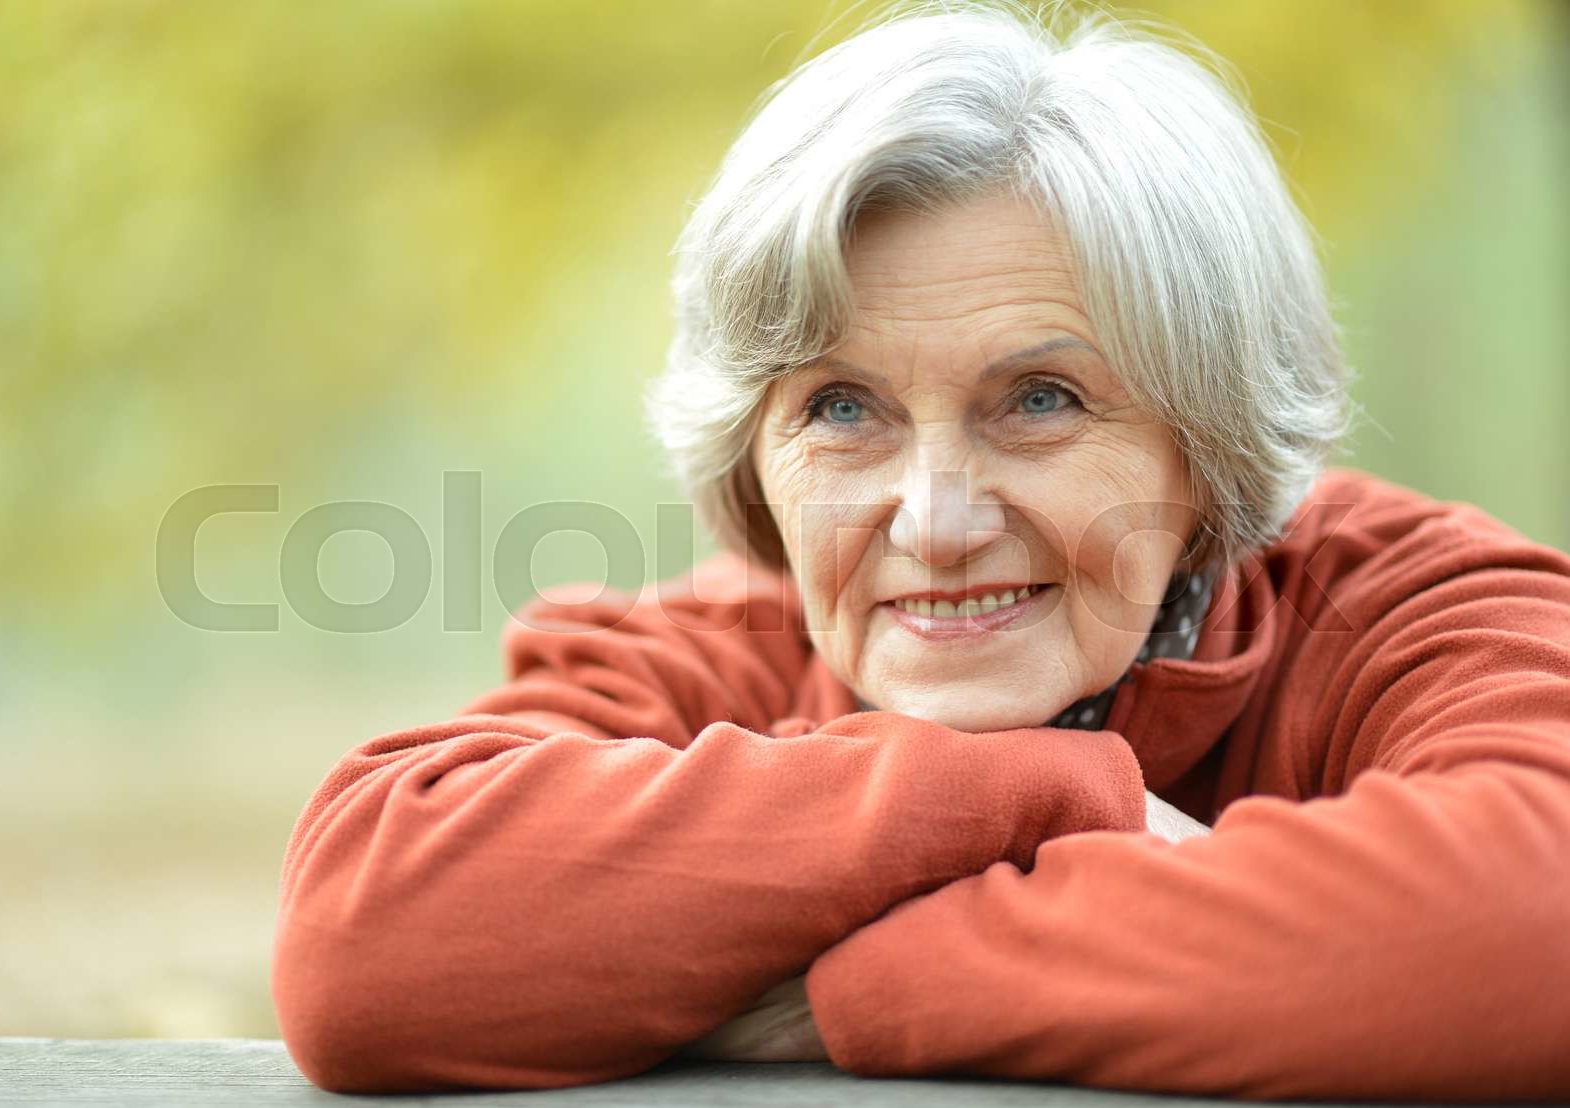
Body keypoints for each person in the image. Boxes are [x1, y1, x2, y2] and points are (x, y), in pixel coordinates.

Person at [269, 2, 1570, 1099]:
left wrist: (855, 988)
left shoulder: (1407, 608)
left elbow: (1532, 929)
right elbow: (362, 939)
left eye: (1042, 400)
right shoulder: (700, 655)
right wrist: (1070, 800)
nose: (936, 520)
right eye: (842, 409)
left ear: (1204, 441)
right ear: (757, 464)